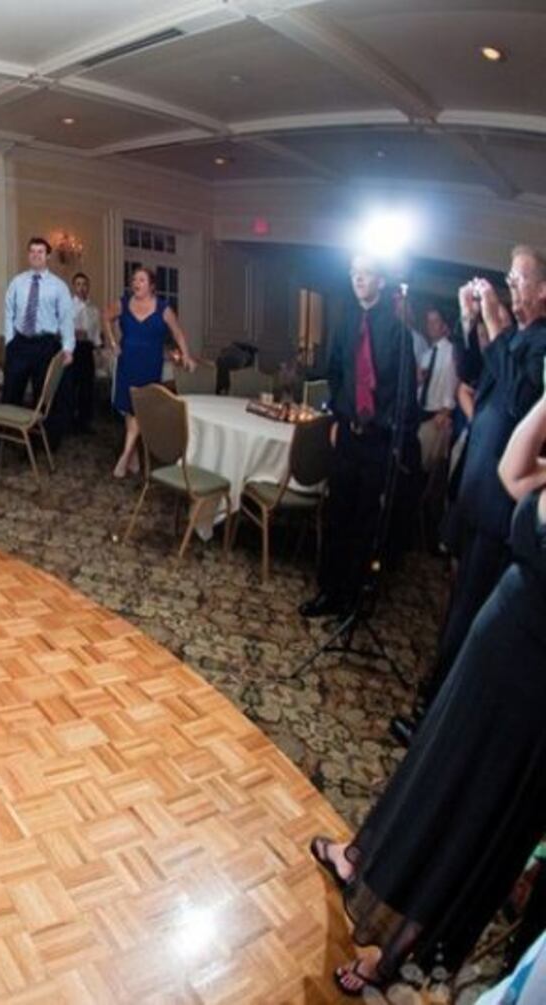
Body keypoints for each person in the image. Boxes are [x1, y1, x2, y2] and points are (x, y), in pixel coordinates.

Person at [309, 388, 546, 996]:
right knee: (431, 781)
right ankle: (360, 862)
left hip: (529, 697)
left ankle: (388, 959)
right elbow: (510, 469)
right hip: (489, 664)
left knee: (465, 821)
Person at [392, 248, 546, 734]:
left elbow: (523, 396)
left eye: (519, 278)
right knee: (454, 601)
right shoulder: (518, 337)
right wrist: (472, 320)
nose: (510, 284)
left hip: (499, 509)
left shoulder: (542, 344)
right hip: (474, 491)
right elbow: (478, 375)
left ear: (544, 290)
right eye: (509, 276)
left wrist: (495, 324)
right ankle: (436, 700)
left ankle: (435, 719)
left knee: (469, 617)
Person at [299, 255, 419, 619]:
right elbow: (334, 373)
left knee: (366, 521)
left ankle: (354, 598)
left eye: (365, 273)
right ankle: (329, 592)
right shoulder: (346, 321)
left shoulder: (398, 331)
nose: (358, 279)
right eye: (353, 273)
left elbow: (404, 393)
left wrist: (388, 432)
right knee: (337, 516)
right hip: (348, 436)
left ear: (381, 281)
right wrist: (338, 415)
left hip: (379, 441)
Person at [105, 267, 197, 478]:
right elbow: (105, 316)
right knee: (130, 410)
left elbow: (177, 332)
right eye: (134, 279)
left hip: (149, 364)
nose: (136, 283)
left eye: (142, 280)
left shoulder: (163, 308)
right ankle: (133, 456)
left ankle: (125, 455)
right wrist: (112, 343)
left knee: (139, 409)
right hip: (127, 362)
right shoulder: (124, 302)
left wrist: (186, 355)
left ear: (152, 286)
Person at [1, 237, 74, 447]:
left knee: (43, 397)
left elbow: (66, 318)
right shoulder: (17, 282)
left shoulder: (58, 286)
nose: (35, 255)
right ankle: (3, 440)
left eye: (40, 252)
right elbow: (8, 312)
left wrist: (68, 348)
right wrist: (10, 341)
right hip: (20, 344)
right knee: (11, 393)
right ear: (28, 255)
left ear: (48, 256)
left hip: (45, 345)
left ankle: (38, 443)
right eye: (32, 251)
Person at [415, 306, 460, 474]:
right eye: (428, 322)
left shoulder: (452, 351)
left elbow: (454, 383)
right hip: (421, 414)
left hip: (438, 417)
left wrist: (447, 412)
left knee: (430, 470)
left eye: (435, 322)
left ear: (443, 326)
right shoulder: (426, 354)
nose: (431, 326)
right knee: (418, 466)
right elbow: (422, 385)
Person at [69, 272, 101, 434]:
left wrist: (98, 349)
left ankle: (84, 422)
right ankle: (68, 420)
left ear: (88, 287)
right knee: (70, 385)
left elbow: (96, 333)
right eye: (78, 284)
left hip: (87, 349)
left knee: (87, 386)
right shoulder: (68, 306)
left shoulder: (94, 310)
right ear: (74, 287)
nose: (82, 288)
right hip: (73, 349)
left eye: (84, 284)